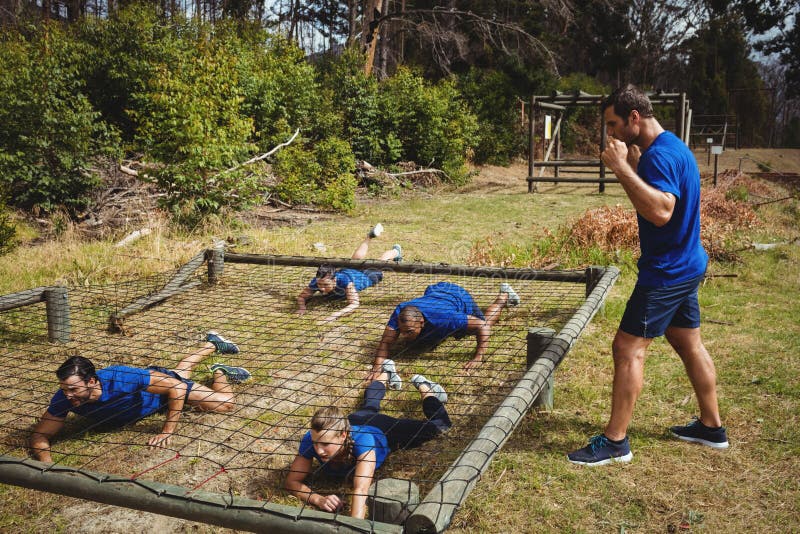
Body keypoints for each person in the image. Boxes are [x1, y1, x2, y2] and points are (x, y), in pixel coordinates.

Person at [567, 84, 728, 466]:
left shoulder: (659, 157)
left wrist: (622, 168)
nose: (610, 133)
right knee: (688, 343)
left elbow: (661, 211)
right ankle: (711, 427)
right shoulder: (672, 146)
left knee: (627, 348)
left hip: (667, 273)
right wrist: (636, 166)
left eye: (613, 124)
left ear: (634, 118)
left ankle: (615, 441)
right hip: (688, 263)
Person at [29, 332, 251, 462]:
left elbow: (177, 388)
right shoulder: (64, 398)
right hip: (157, 389)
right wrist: (47, 464)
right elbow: (40, 435)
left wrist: (167, 431)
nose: (68, 395)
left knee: (225, 404)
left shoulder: (120, 377)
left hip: (165, 393)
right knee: (181, 371)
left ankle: (219, 371)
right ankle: (212, 343)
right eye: (64, 389)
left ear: (92, 381)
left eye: (73, 389)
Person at [285, 361, 450, 519]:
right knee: (369, 406)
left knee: (439, 426)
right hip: (356, 420)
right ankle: (386, 373)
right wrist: (318, 499)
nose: (318, 449)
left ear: (343, 435)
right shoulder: (312, 438)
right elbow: (292, 481)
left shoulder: (364, 442)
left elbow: (361, 489)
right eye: (315, 443)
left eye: (326, 444)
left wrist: (354, 527)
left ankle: (426, 388)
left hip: (383, 429)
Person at [367, 281, 520, 377]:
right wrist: (377, 367)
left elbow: (482, 326)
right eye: (402, 331)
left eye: (409, 332)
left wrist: (478, 357)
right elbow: (386, 341)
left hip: (458, 296)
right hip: (436, 290)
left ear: (421, 322)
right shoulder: (400, 312)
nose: (404, 335)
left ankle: (503, 297)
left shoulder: (446, 318)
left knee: (484, 323)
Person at [296, 223, 402, 323]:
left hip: (366, 276)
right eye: (320, 284)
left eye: (326, 285)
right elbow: (301, 297)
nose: (322, 288)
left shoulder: (345, 282)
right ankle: (369, 237)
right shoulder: (318, 280)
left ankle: (396, 251)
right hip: (348, 270)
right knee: (355, 260)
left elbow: (354, 303)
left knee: (381, 261)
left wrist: (335, 315)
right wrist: (302, 307)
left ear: (334, 279)